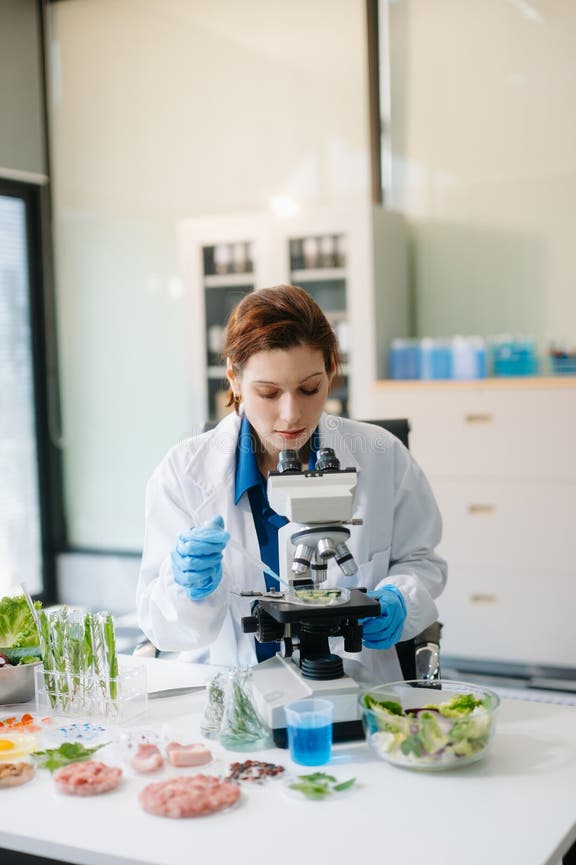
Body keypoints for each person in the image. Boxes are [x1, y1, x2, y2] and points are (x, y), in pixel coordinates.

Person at [137, 284, 447, 681]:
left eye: (309, 389)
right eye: (268, 392)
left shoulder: (381, 455)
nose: (291, 414)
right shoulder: (184, 472)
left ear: (331, 372)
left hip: (355, 681)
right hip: (229, 687)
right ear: (233, 379)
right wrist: (187, 589)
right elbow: (163, 628)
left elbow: (422, 560)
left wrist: (400, 599)